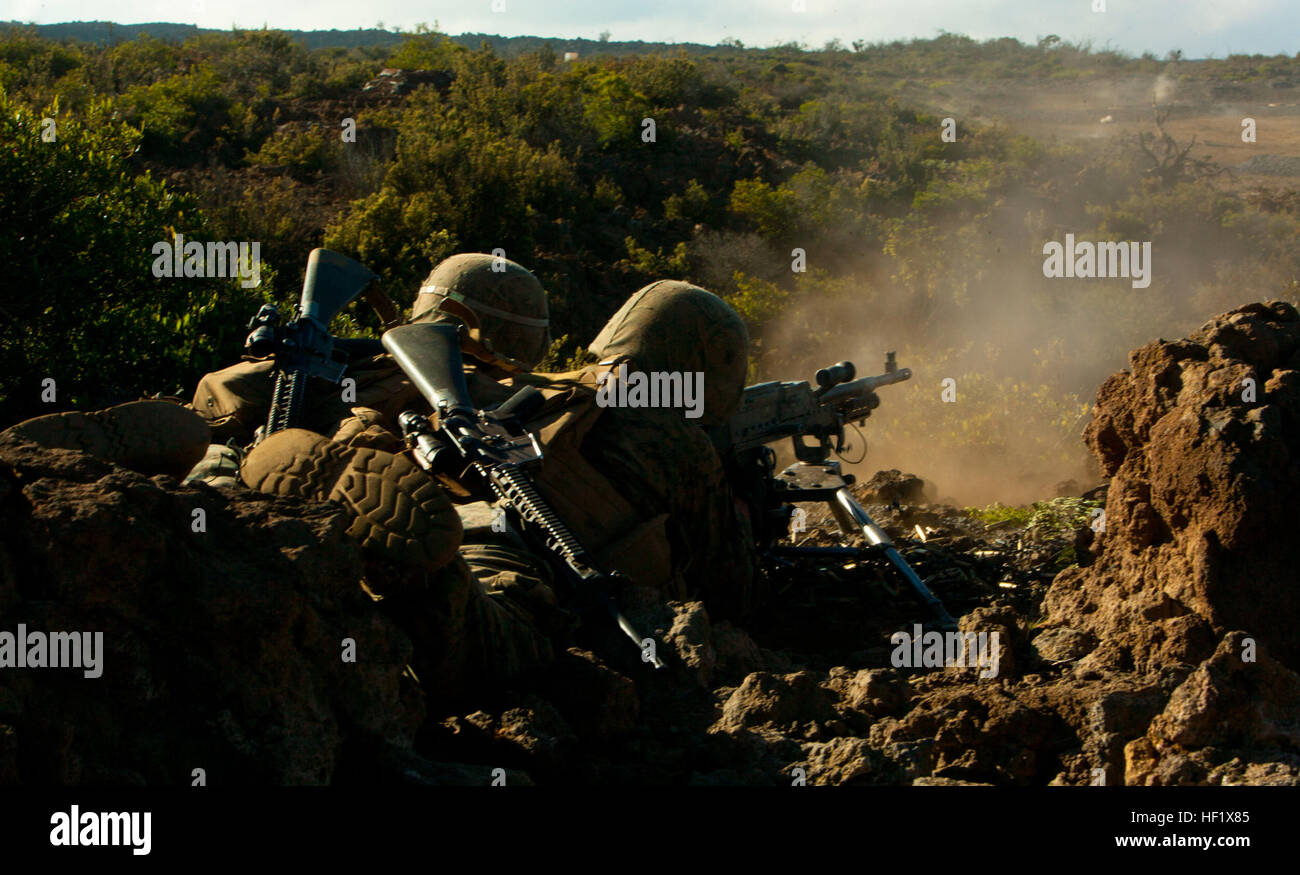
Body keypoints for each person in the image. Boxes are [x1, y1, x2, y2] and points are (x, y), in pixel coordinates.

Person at [3, 255, 757, 699]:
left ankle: (181, 467)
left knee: (229, 461)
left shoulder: (398, 366)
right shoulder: (657, 430)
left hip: (325, 486)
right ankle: (432, 585)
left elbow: (237, 393)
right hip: (486, 533)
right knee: (520, 637)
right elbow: (732, 584)